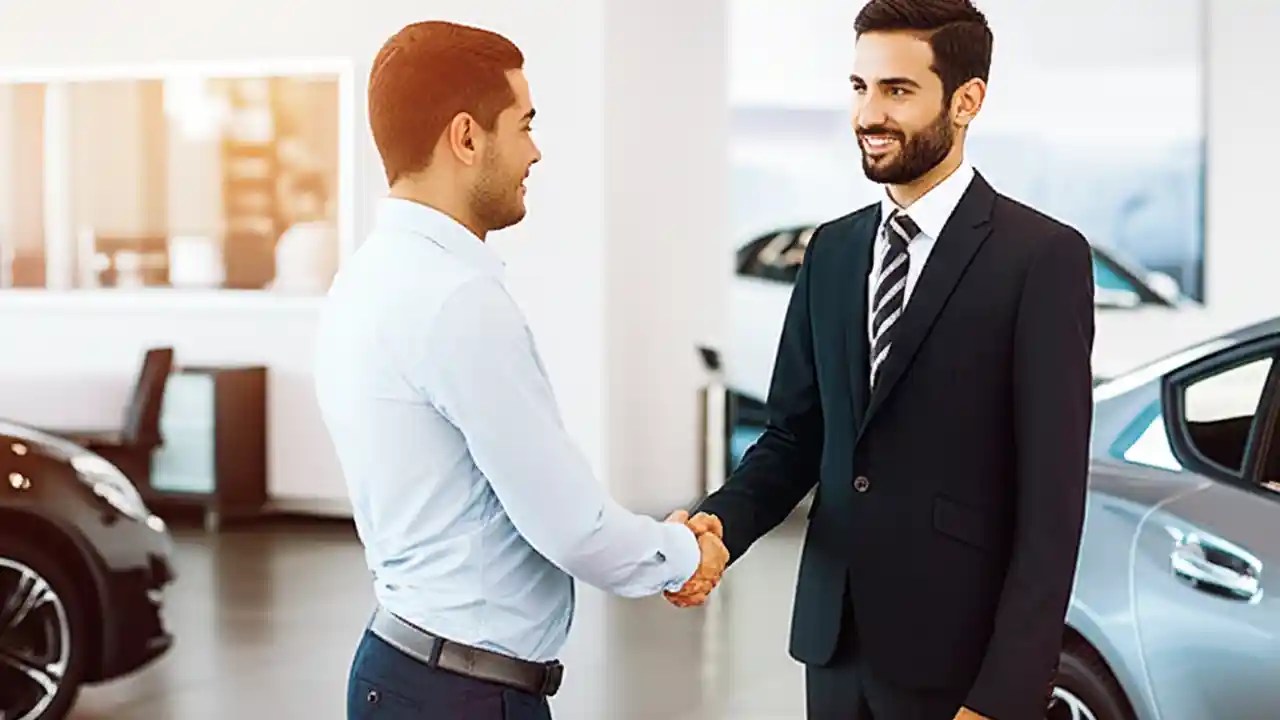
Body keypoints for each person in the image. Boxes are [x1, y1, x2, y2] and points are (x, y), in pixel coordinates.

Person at [673, 1, 1096, 719]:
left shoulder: (1042, 259)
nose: (869, 114)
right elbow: (795, 437)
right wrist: (719, 529)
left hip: (959, 665)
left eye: (897, 91)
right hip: (834, 647)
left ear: (967, 102)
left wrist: (1003, 696)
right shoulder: (832, 252)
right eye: (860, 87)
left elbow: (1052, 507)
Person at [312, 21, 727, 720]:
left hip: (408, 670)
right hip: (460, 696)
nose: (535, 151)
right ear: (467, 138)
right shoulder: (456, 303)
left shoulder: (367, 279)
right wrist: (685, 555)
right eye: (525, 125)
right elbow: (571, 526)